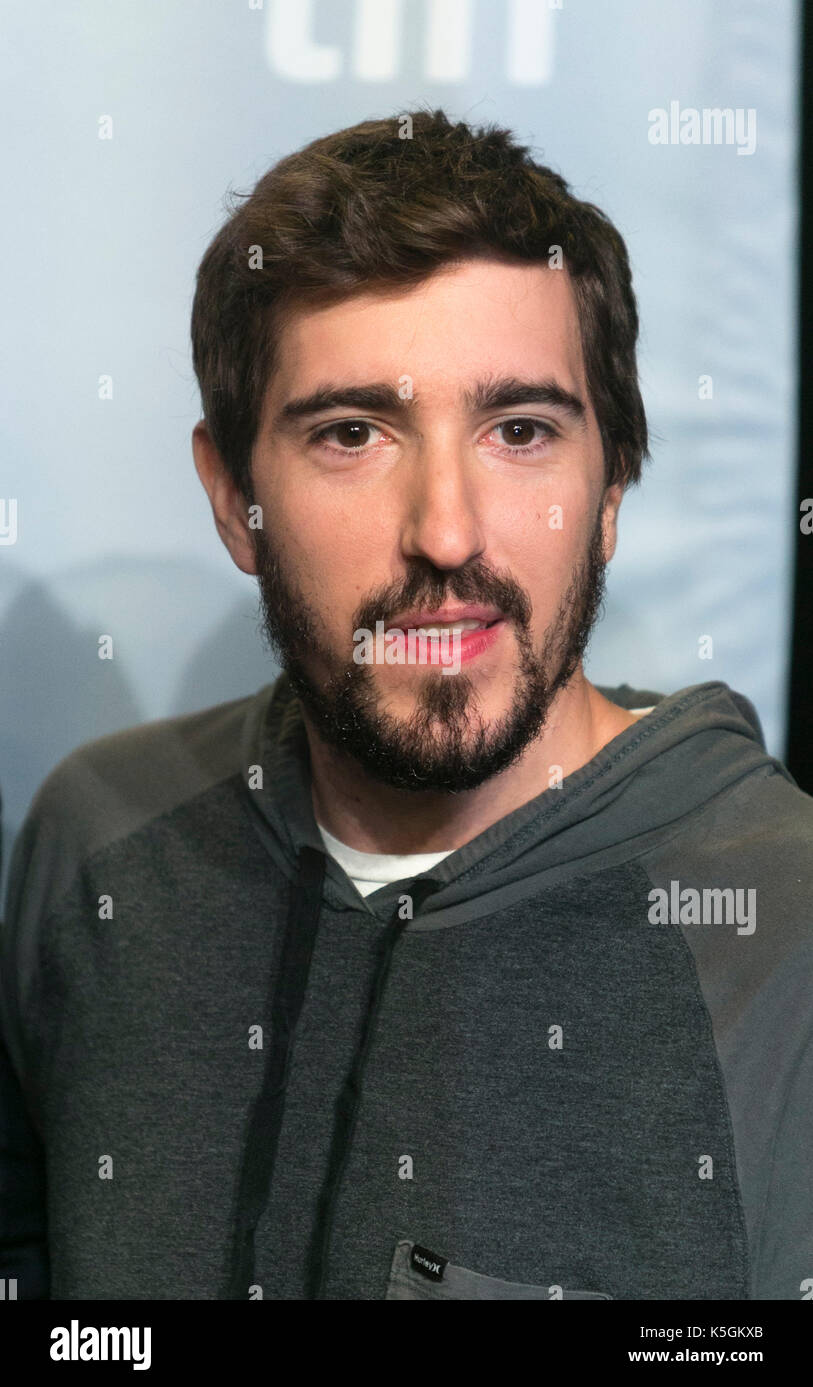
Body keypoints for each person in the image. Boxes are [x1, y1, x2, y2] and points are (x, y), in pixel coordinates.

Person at [1, 108, 811, 1301]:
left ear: (614, 488)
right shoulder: (100, 846)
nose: (446, 530)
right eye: (352, 434)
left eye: (521, 430)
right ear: (233, 499)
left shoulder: (781, 936)